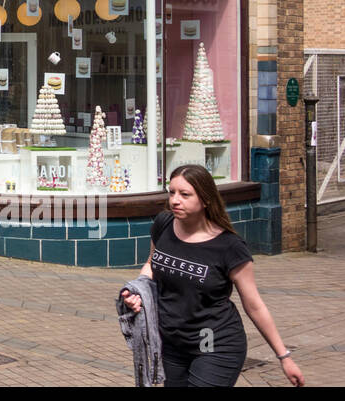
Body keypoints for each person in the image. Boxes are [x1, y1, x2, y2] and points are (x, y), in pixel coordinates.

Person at [121, 164, 304, 387]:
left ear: (206, 199)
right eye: (172, 192)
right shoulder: (163, 224)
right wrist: (138, 289)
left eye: (185, 194)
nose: (175, 200)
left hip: (215, 345)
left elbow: (254, 305)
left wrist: (284, 357)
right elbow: (152, 264)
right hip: (171, 343)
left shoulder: (230, 247)